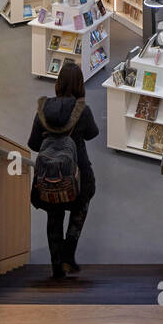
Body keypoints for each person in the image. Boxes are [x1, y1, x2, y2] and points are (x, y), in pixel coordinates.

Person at [27, 62, 99, 280]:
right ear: (79, 85)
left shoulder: (43, 110)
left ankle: (57, 265)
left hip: (50, 174)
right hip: (78, 174)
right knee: (79, 210)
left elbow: (33, 144)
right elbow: (92, 134)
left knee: (54, 215)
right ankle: (69, 255)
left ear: (58, 83)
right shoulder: (82, 111)